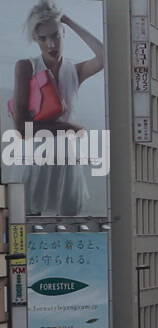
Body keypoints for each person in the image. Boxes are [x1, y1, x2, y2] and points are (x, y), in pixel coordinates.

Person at [11, 1, 107, 217]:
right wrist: (69, 127)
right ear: (35, 39)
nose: (51, 44)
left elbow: (104, 56)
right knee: (29, 224)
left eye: (56, 35)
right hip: (35, 159)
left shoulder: (74, 70)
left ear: (63, 32)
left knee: (68, 223)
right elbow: (21, 128)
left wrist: (69, 21)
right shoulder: (26, 67)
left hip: (66, 161)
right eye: (43, 38)